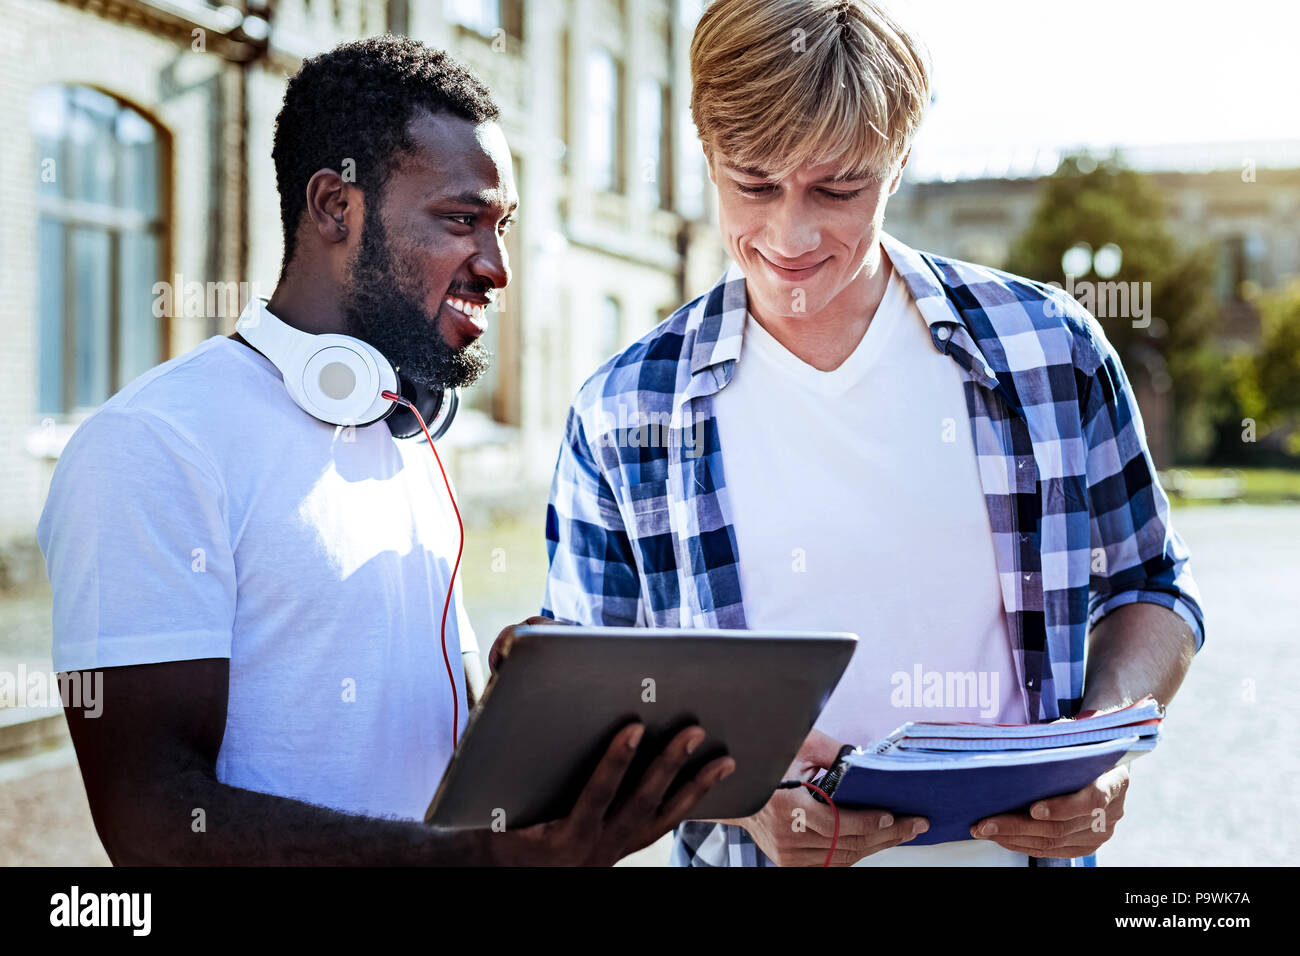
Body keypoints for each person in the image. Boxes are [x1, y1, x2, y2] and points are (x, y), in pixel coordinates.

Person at [36, 36, 733, 866]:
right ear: (336, 205)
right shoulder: (153, 446)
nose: (498, 267)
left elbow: (416, 756)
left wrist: (527, 705)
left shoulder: (399, 425)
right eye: (460, 220)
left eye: (501, 226)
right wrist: (485, 862)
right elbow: (153, 824)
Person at [538, 0, 1204, 867]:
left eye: (837, 189)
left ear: (896, 165)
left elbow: (1154, 585)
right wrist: (739, 804)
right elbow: (594, 711)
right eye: (753, 183)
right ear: (704, 152)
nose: (790, 234)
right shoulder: (622, 410)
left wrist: (1106, 741)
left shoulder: (1052, 349)